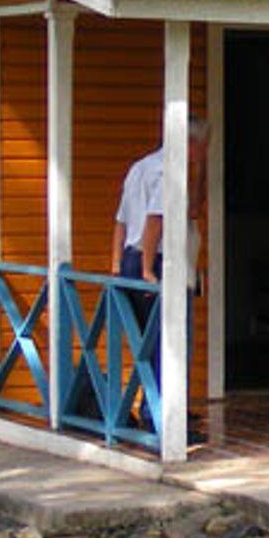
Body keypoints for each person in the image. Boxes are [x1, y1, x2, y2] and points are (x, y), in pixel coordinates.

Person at [94, 117, 208, 422]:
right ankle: (161, 417)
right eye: (202, 145)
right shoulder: (168, 172)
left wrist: (117, 263)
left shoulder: (140, 167)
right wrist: (147, 269)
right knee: (169, 342)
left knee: (151, 342)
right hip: (155, 261)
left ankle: (161, 409)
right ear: (190, 143)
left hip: (133, 258)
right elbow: (155, 220)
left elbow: (121, 221)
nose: (204, 151)